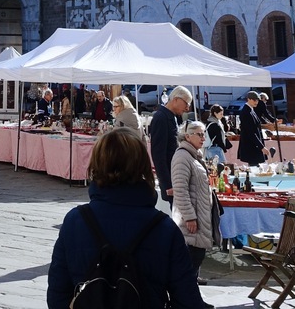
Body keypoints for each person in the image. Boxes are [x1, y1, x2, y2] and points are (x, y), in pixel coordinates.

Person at [47, 129, 205, 309]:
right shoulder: (164, 228)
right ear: (142, 166)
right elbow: (188, 300)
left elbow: (57, 295)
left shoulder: (75, 221)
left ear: (96, 165)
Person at [171, 121, 217, 292]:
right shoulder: (183, 156)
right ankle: (186, 299)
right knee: (191, 261)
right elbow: (180, 190)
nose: (203, 137)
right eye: (199, 134)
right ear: (187, 136)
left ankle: (192, 297)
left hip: (199, 216)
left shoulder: (194, 155)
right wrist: (190, 216)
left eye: (204, 133)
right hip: (191, 220)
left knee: (195, 259)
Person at [149, 86, 193, 203]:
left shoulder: (172, 116)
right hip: (171, 181)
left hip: (177, 177)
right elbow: (158, 155)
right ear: (176, 99)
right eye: (186, 103)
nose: (187, 108)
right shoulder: (161, 118)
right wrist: (167, 185)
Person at [237, 92, 269, 167]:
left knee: (255, 167)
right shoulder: (246, 112)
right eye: (254, 100)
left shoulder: (251, 110)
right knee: (254, 168)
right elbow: (250, 132)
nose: (256, 102)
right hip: (251, 146)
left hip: (253, 145)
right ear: (248, 99)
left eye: (257, 100)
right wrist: (261, 147)